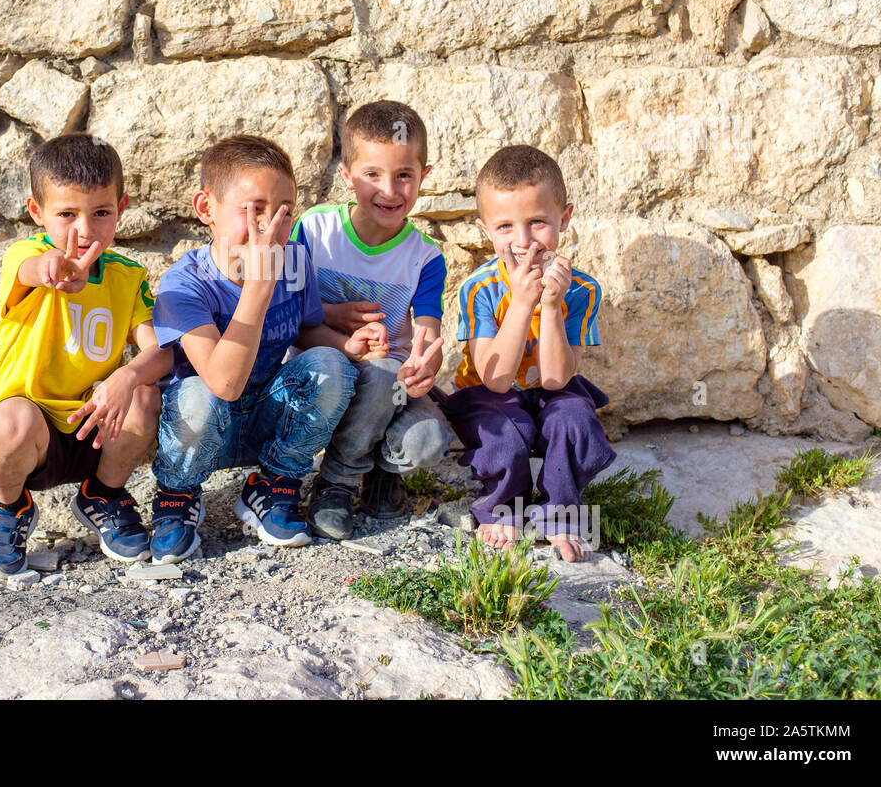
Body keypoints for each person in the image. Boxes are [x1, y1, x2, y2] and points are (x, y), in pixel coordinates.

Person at [147, 134, 384, 563]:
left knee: (332, 366)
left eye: (283, 212)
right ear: (206, 209)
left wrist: (348, 344)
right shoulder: (184, 284)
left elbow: (306, 333)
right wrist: (259, 284)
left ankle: (273, 483)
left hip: (267, 415)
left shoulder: (293, 261)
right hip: (207, 426)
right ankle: (177, 495)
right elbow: (223, 383)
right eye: (254, 209)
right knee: (197, 394)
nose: (270, 227)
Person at [0, 133, 171, 577]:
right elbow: (30, 271)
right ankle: (10, 507)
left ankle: (102, 493)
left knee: (144, 393)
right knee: (9, 421)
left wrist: (124, 378)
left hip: (95, 423)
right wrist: (53, 272)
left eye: (100, 213)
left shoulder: (127, 276)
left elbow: (159, 352)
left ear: (121, 209)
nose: (84, 230)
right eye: (66, 215)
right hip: (34, 431)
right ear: (36, 211)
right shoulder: (24, 257)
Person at [438, 144, 615, 563]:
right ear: (485, 230)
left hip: (547, 388)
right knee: (505, 432)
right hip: (491, 393)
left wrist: (550, 306)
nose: (522, 242)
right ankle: (505, 505)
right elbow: (494, 378)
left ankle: (561, 511)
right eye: (505, 227)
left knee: (575, 418)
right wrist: (521, 302)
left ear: (564, 218)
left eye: (537, 222)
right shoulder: (480, 289)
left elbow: (557, 378)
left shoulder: (581, 290)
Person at [291, 100, 456, 540]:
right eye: (373, 175)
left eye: (404, 175)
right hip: (324, 364)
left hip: (391, 379)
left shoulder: (425, 258)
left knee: (427, 438)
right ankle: (336, 484)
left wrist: (423, 368)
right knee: (375, 374)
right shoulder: (312, 230)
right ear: (346, 174)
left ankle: (382, 472)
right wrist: (332, 318)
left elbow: (426, 336)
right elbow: (287, 315)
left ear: (424, 176)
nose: (390, 190)